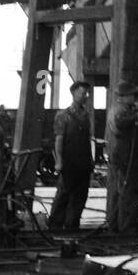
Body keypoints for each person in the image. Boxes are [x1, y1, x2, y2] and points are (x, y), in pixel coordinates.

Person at [50, 81, 95, 229]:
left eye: (87, 94)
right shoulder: (63, 116)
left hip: (83, 162)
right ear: (74, 93)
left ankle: (72, 225)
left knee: (80, 195)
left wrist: (91, 159)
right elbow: (59, 140)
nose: (85, 96)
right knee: (64, 194)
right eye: (83, 93)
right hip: (69, 163)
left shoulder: (86, 115)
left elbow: (88, 140)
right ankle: (55, 225)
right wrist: (59, 161)